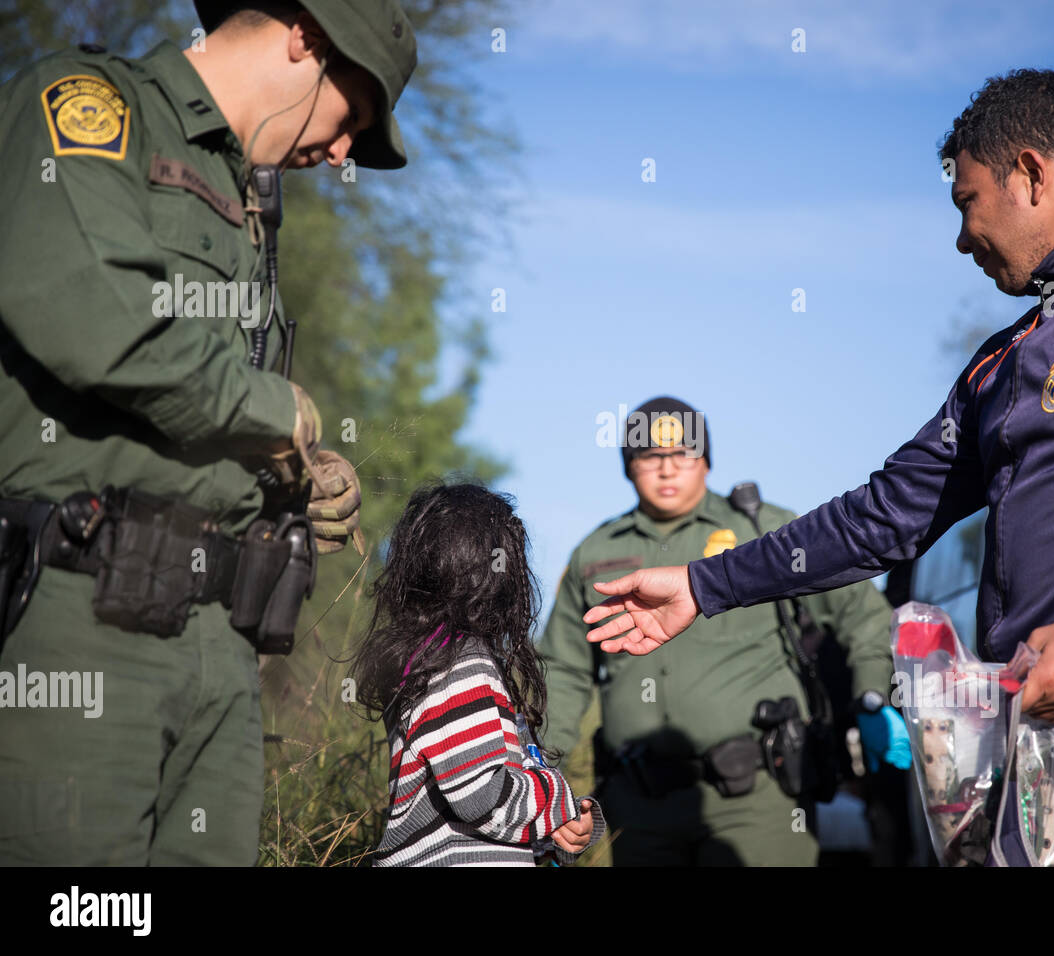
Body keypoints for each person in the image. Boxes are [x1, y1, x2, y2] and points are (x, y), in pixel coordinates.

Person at [583, 70, 1054, 867]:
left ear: (1031, 173)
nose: (962, 237)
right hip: (1029, 771)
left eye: (966, 201)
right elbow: (884, 515)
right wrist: (701, 585)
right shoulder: (1002, 360)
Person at [0, 0, 415, 864]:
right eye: (354, 116)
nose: (343, 154)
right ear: (306, 36)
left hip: (221, 649)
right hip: (86, 616)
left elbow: (209, 406)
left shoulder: (252, 208)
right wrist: (275, 417)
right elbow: (93, 315)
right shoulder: (90, 105)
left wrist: (302, 477)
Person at [538, 396, 902, 866]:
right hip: (639, 805)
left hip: (760, 802)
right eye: (650, 456)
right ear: (629, 467)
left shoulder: (764, 529)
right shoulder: (595, 552)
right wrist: (546, 777)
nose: (667, 470)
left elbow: (863, 613)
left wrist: (872, 695)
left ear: (706, 462)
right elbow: (562, 671)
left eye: (682, 454)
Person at [352, 481, 604, 867]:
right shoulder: (458, 665)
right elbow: (483, 797)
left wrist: (557, 834)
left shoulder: (441, 660)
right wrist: (558, 799)